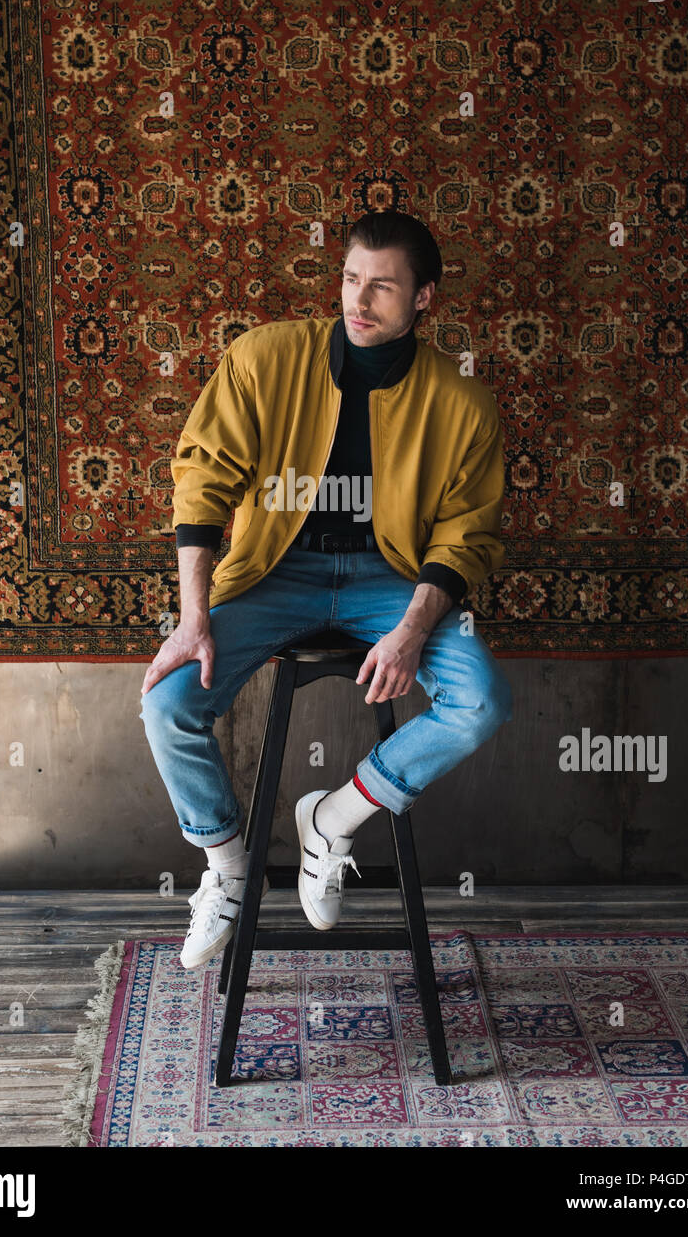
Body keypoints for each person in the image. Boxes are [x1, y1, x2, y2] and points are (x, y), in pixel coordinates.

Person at [139, 211, 513, 969]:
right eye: (350, 278)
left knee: (482, 702)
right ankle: (228, 870)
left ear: (423, 299)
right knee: (167, 703)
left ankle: (333, 818)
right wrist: (192, 615)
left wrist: (411, 630)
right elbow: (202, 475)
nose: (359, 299)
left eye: (382, 286)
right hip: (277, 570)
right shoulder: (265, 358)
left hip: (392, 580)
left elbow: (466, 533)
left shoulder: (461, 402)